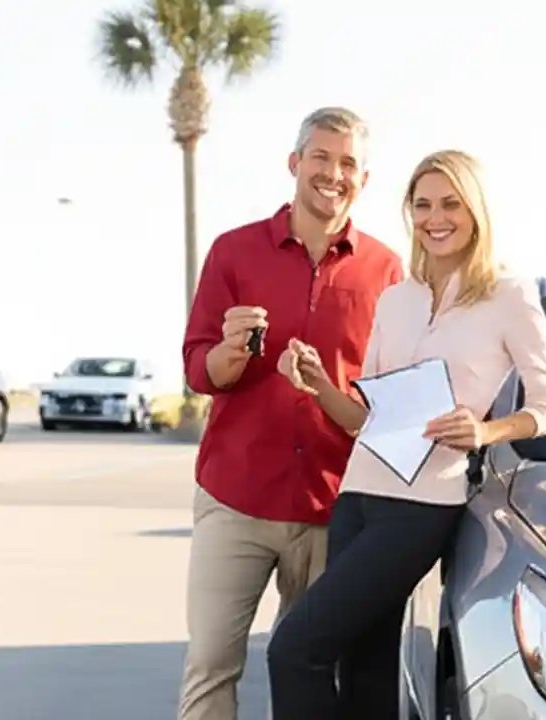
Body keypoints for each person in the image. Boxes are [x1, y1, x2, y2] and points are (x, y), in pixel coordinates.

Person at [265, 149, 546, 719]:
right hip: (356, 498)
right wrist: (319, 386)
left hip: (421, 507)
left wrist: (485, 430)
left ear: (475, 209)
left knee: (295, 649)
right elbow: (368, 417)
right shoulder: (396, 299)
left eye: (450, 203)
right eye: (423, 204)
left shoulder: (509, 295)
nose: (436, 217)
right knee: (364, 660)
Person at [177, 106, 404, 720]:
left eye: (348, 163)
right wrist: (228, 352)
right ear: (295, 164)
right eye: (322, 158)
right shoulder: (234, 252)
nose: (334, 173)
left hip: (335, 509)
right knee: (210, 667)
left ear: (364, 178)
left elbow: (390, 392)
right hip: (236, 499)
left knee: (309, 668)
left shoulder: (386, 271)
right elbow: (198, 370)